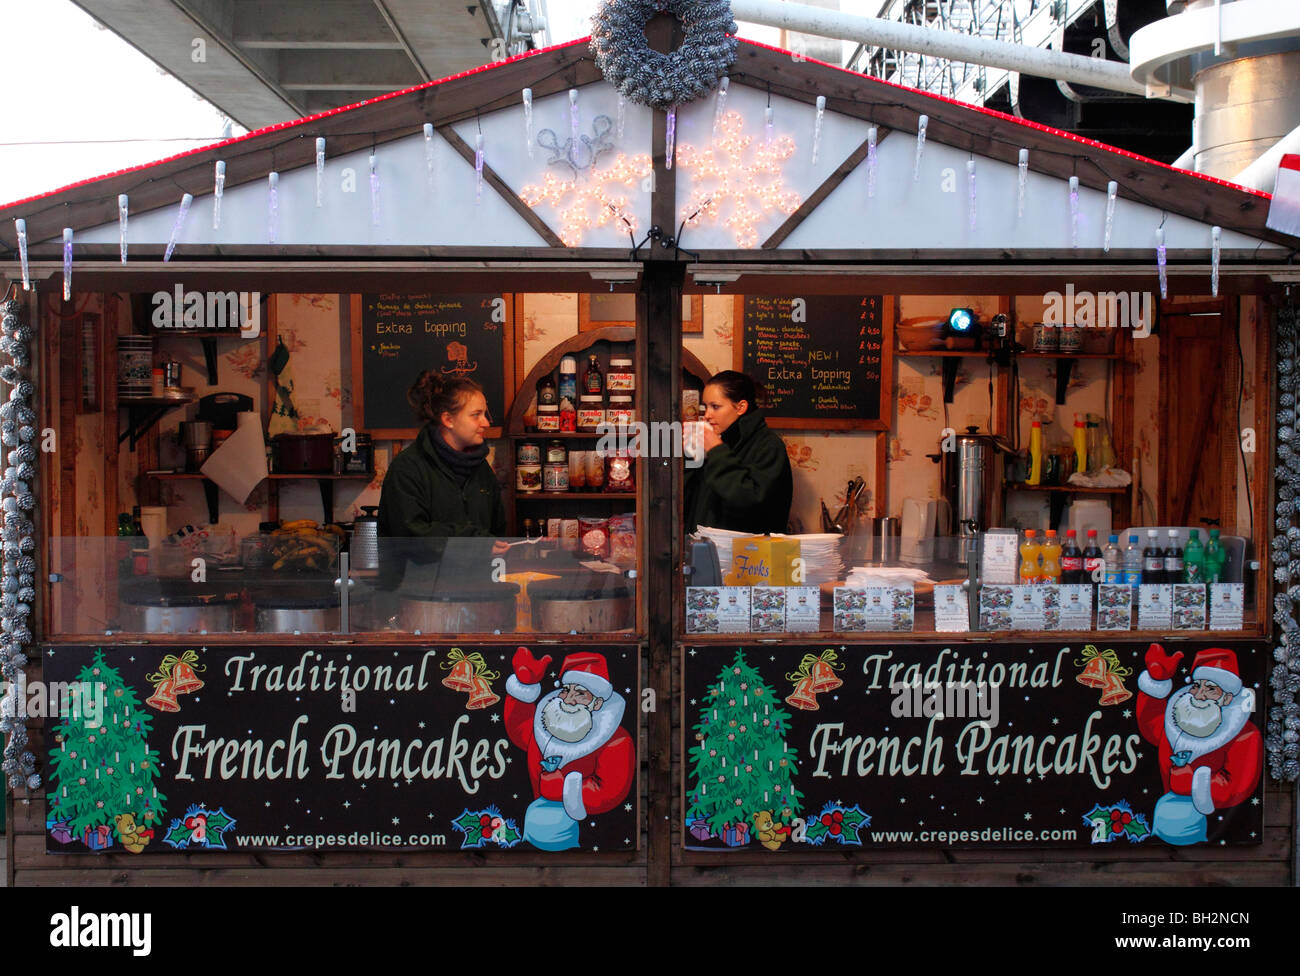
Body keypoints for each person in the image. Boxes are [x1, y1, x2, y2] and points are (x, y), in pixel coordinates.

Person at [377, 373, 508, 586]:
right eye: (476, 415)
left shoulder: (482, 470)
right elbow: (411, 536)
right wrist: (476, 545)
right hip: (417, 600)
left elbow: (497, 530)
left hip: (475, 596)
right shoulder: (408, 468)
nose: (486, 422)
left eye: (485, 413)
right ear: (448, 420)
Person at [504, 647, 635, 851]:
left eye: (580, 693)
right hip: (534, 827)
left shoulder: (616, 739)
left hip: (582, 836)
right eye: (566, 690)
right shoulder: (548, 722)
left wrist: (563, 789)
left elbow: (610, 790)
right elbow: (521, 728)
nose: (568, 699)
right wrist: (525, 684)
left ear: (598, 702)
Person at [1136, 644, 1263, 845]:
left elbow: (1237, 786)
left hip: (1210, 827)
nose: (1199, 695)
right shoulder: (1178, 719)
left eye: (1211, 689)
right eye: (1197, 686)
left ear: (1227, 697)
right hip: (1165, 819)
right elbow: (1152, 725)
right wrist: (1157, 681)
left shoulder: (1244, 735)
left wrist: (1192, 783)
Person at [683, 370, 793, 534]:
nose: (707, 415)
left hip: (751, 556)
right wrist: (688, 454)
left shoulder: (769, 446)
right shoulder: (721, 441)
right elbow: (687, 501)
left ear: (741, 407)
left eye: (715, 407)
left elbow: (750, 501)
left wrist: (716, 450)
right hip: (704, 551)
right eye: (705, 407)